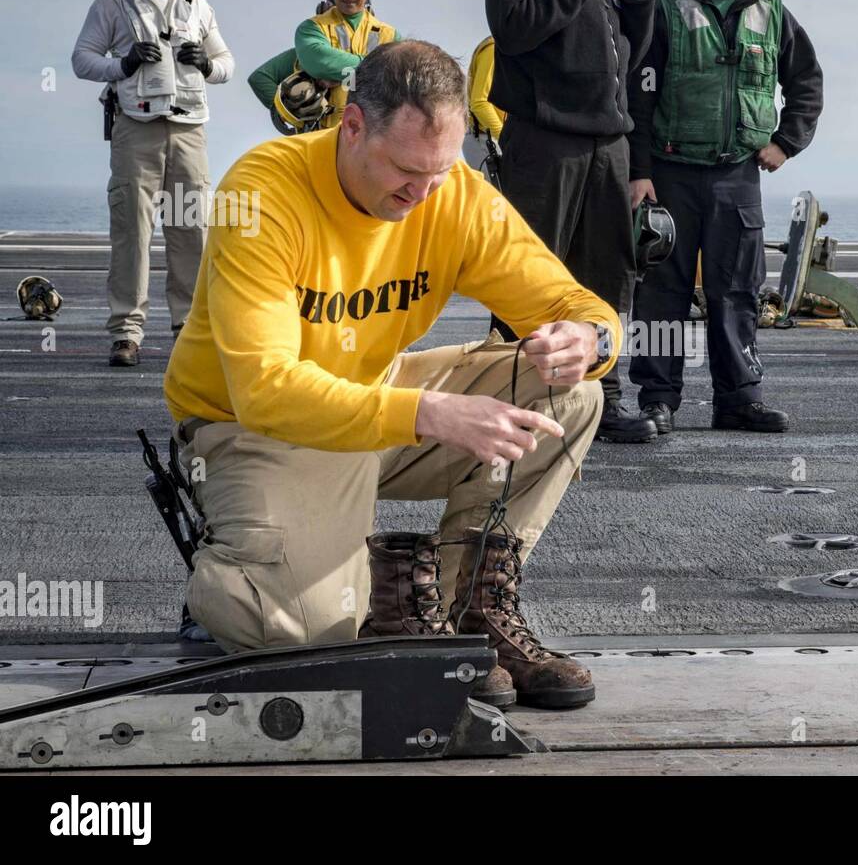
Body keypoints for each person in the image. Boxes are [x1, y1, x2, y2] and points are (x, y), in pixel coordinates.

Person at [162, 41, 619, 709]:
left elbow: (578, 307)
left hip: (372, 403)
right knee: (294, 631)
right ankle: (234, 579)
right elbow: (264, 390)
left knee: (571, 393)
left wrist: (588, 337)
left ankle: (464, 609)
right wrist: (427, 414)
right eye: (406, 170)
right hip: (254, 427)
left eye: (439, 172)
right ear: (351, 126)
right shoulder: (262, 191)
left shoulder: (449, 191)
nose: (423, 193)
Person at [627, 0, 822, 433]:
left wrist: (786, 142)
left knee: (737, 289)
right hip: (668, 175)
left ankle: (738, 399)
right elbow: (637, 96)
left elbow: (807, 82)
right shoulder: (665, 9)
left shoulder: (772, 11)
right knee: (659, 291)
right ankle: (657, 399)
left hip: (738, 175)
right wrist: (639, 170)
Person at [485, 0, 658, 442]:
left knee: (606, 273)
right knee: (528, 273)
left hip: (608, 143)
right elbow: (512, 30)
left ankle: (602, 399)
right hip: (545, 141)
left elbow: (632, 59)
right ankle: (511, 397)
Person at [72, 0, 234, 367]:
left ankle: (188, 327)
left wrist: (206, 64)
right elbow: (82, 59)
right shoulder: (113, 2)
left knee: (190, 230)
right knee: (132, 231)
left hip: (188, 132)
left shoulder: (197, 6)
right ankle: (127, 332)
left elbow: (227, 63)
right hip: (135, 132)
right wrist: (121, 66)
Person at [292, 0, 400, 130]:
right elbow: (317, 62)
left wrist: (339, 73)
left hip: (374, 137)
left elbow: (400, 78)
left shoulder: (391, 35)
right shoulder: (311, 28)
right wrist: (379, 68)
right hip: (323, 136)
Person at [462, 36, 506, 175]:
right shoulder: (494, 49)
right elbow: (479, 103)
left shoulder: (513, 50)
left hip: (494, 138)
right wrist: (506, 137)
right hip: (484, 139)